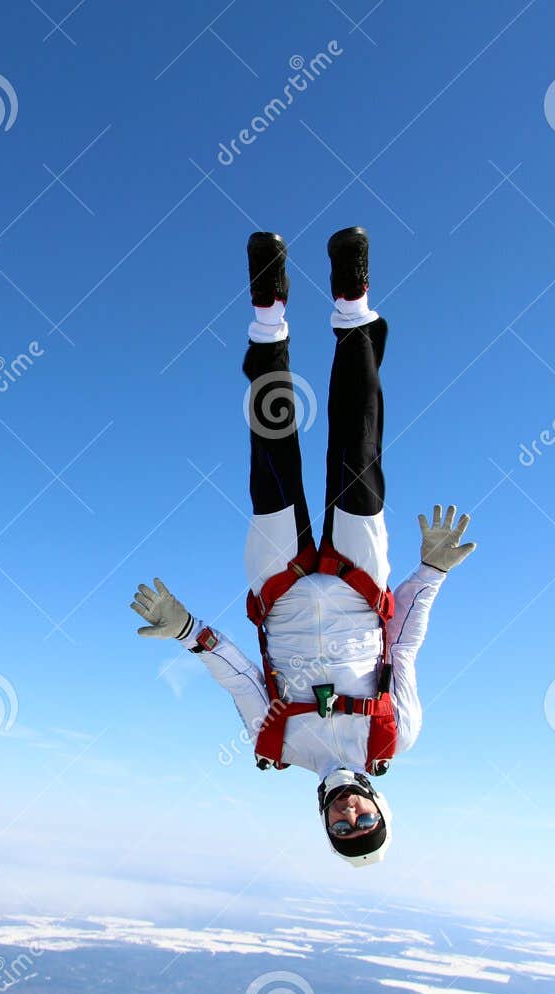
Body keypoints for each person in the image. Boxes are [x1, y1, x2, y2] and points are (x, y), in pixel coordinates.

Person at [131, 227, 477, 868]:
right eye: (363, 822)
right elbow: (403, 647)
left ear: (325, 822)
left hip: (279, 583)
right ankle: (353, 304)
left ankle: (268, 313)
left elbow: (237, 676)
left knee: (271, 454)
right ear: (378, 808)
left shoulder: (278, 746)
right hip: (358, 580)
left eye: (342, 829)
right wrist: (430, 573)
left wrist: (188, 632)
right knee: (359, 446)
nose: (350, 815)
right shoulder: (395, 735)